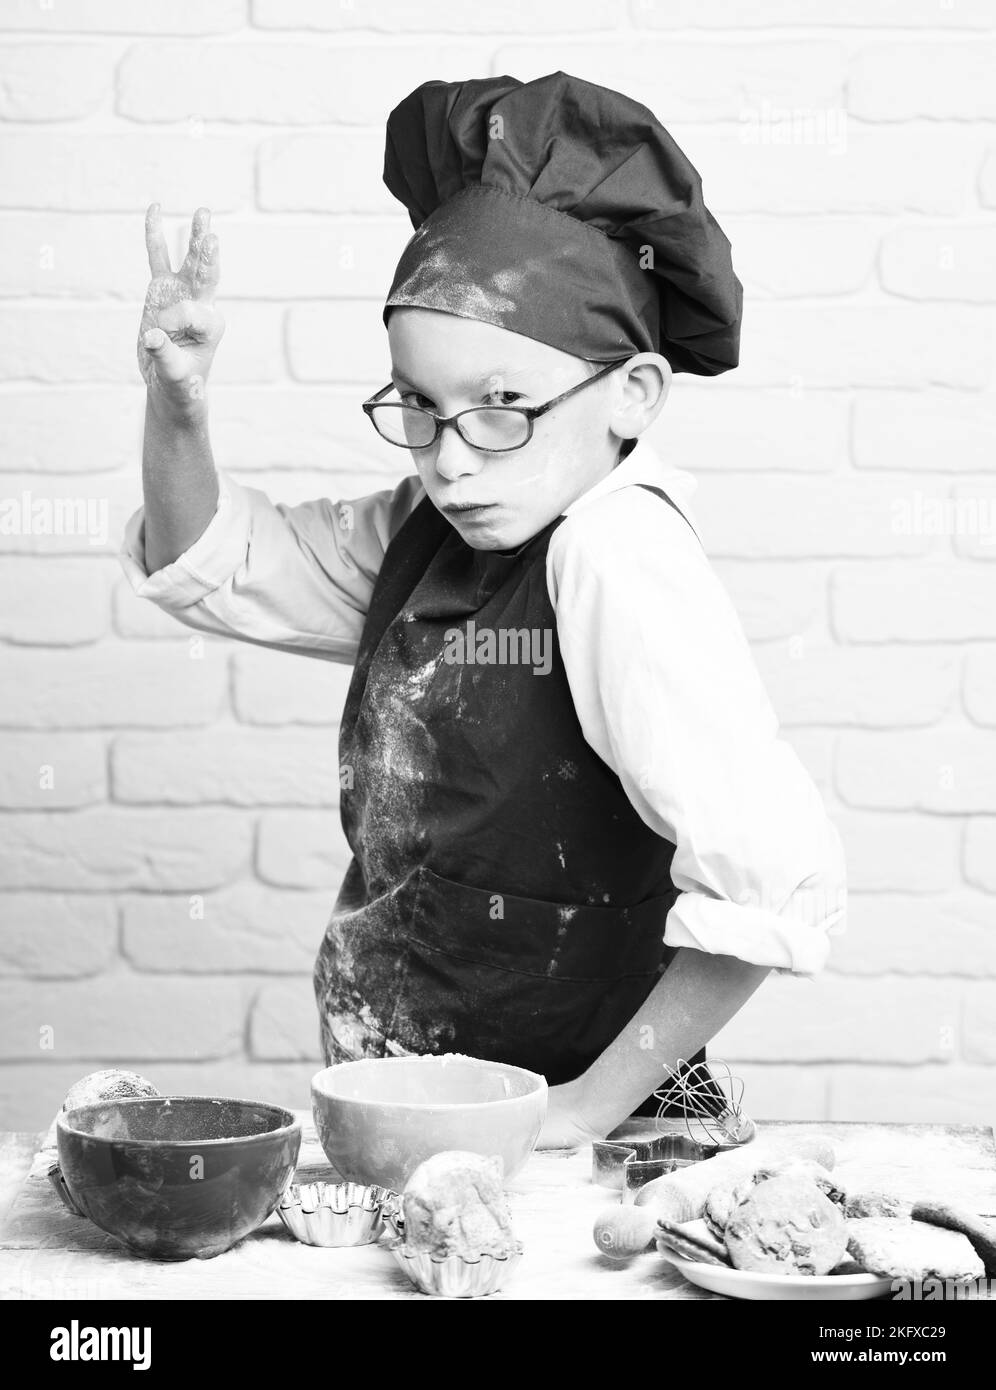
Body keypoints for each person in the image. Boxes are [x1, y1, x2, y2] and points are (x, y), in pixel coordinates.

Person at [121, 72, 847, 1149]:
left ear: (633, 395)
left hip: (595, 1131)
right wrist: (177, 402)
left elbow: (771, 882)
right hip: (416, 1096)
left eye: (503, 406)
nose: (452, 460)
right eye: (420, 406)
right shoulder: (430, 522)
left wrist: (579, 1114)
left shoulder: (614, 551)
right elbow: (213, 560)